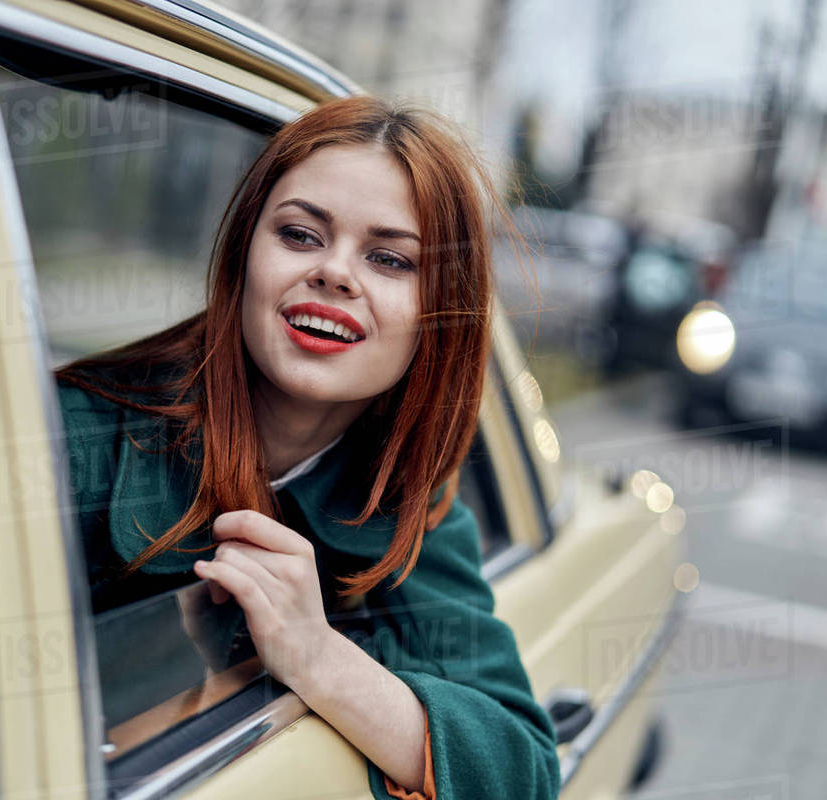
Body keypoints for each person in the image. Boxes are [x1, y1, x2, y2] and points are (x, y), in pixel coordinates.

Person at [55, 95, 562, 799]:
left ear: (439, 316)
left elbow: (524, 773)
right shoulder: (71, 443)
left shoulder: (412, 510)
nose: (335, 273)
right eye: (299, 236)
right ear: (243, 256)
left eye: (389, 259)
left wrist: (317, 658)